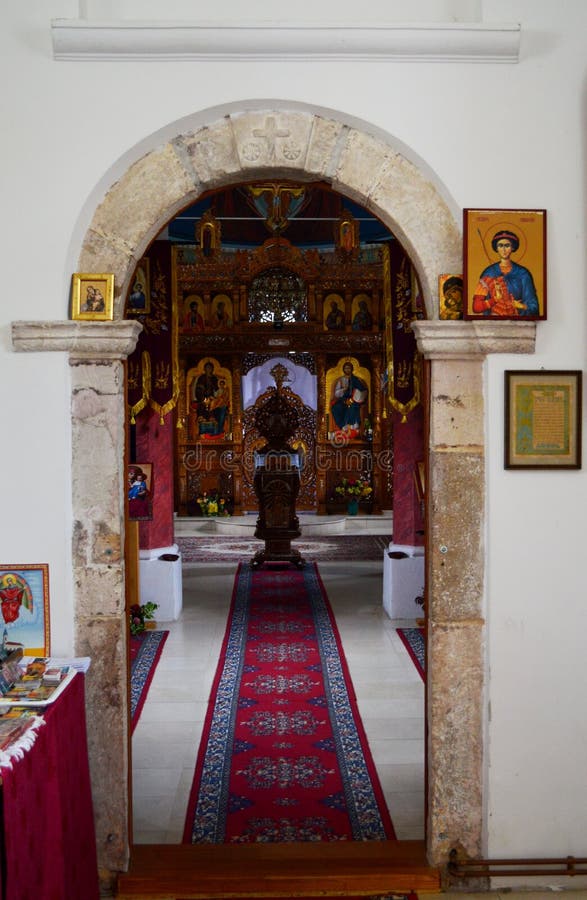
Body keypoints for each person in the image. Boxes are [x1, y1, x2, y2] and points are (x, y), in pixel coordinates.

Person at [472, 230, 539, 317]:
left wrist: (521, 306)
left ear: (513, 247)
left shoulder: (523, 273)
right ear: (496, 248)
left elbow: (534, 306)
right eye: (500, 245)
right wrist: (495, 300)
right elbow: (477, 307)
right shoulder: (488, 273)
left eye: (507, 245)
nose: (503, 249)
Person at [330, 361, 368, 437]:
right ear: (343, 369)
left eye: (349, 368)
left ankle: (351, 427)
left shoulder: (355, 379)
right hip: (343, 399)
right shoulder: (340, 380)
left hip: (354, 400)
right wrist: (344, 389)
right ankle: (342, 426)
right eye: (346, 368)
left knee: (350, 406)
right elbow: (336, 393)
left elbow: (362, 390)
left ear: (352, 369)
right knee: (335, 408)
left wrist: (354, 398)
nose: (347, 370)